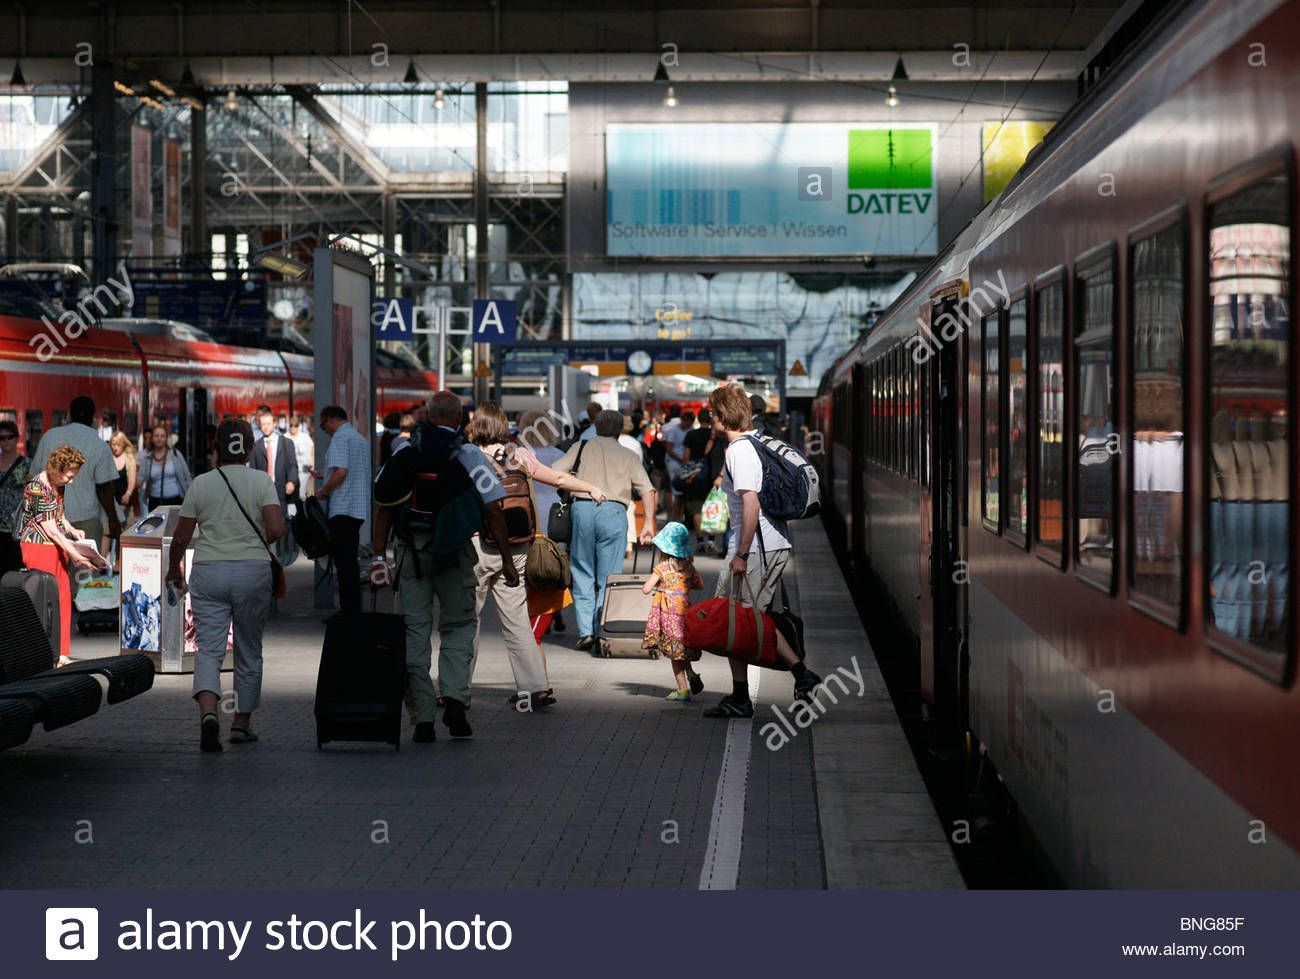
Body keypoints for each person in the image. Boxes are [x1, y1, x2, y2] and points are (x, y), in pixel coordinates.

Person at [370, 391, 518, 743]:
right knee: (459, 627)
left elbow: (385, 507)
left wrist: (378, 557)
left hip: (412, 555)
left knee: (414, 633)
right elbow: (495, 509)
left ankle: (422, 718)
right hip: (454, 553)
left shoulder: (405, 451)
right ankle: (454, 701)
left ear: (426, 413)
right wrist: (509, 562)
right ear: (459, 419)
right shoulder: (469, 455)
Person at [464, 403, 608, 709]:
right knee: (517, 623)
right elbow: (557, 479)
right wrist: (591, 488)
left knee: (466, 621)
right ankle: (535, 688)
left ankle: (456, 689)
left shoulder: (467, 456)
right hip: (517, 548)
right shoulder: (520, 455)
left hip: (476, 546)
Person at [702, 384, 821, 718]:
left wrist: (740, 553)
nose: (711, 420)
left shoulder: (738, 450)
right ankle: (799, 676)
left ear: (722, 417)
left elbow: (751, 502)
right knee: (749, 620)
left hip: (756, 549)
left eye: (713, 414)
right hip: (769, 545)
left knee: (735, 624)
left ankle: (752, 693)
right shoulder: (759, 441)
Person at [165, 419, 284, 752]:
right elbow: (275, 529)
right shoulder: (261, 481)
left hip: (209, 571)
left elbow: (182, 536)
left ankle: (208, 714)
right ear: (249, 448)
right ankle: (241, 724)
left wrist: (174, 568)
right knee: (249, 649)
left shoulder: (201, 484)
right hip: (251, 572)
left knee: (209, 649)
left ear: (216, 447)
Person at [551, 410, 657, 650]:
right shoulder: (628, 455)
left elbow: (557, 471)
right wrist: (648, 523)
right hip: (614, 512)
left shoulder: (581, 447)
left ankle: (585, 631)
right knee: (609, 576)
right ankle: (602, 629)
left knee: (582, 570)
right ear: (620, 429)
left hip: (583, 510)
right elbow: (648, 490)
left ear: (595, 427)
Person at [17, 445, 100, 667]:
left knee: (63, 596)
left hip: (55, 545)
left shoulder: (57, 484)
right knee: (45, 598)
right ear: (57, 469)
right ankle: (44, 653)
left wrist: (73, 531)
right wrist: (75, 553)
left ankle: (61, 652)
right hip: (38, 545)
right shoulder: (37, 487)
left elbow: (59, 517)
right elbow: (51, 529)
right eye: (69, 475)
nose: (71, 481)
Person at [31, 396, 121, 552]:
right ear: (93, 417)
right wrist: (113, 520)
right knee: (84, 573)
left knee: (55, 572)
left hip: (51, 518)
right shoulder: (100, 445)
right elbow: (104, 488)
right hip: (86, 521)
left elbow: (34, 476)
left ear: (69, 415)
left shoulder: (49, 436)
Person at [314, 405, 370, 615]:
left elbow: (341, 471)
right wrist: (325, 475)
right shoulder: (359, 439)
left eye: (322, 425)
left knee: (344, 565)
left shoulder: (340, 438)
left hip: (342, 508)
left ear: (330, 420)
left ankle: (348, 612)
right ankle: (352, 609)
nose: (324, 430)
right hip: (357, 508)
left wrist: (324, 490)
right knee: (350, 564)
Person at [641, 522, 705, 701]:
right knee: (681, 649)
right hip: (685, 615)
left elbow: (646, 589)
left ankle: (682, 689)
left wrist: (660, 588)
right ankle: (691, 674)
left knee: (674, 654)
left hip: (668, 617)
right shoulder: (689, 569)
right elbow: (700, 586)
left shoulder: (662, 569)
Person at [682, 408, 719, 551]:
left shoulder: (691, 435)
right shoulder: (715, 434)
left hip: (695, 476)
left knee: (697, 509)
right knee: (712, 507)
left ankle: (699, 541)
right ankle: (710, 540)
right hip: (712, 474)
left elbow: (686, 457)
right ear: (710, 419)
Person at [248, 410, 298, 512]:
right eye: (263, 424)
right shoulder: (256, 446)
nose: (266, 427)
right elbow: (253, 469)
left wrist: (292, 481)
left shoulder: (286, 443)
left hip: (282, 489)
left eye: (268, 424)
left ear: (274, 424)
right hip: (263, 491)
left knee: (283, 520)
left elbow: (293, 465)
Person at [137, 424, 193, 512]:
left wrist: (190, 497)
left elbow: (187, 477)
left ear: (166, 438)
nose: (159, 438)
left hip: (176, 500)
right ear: (152, 439)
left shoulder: (176, 454)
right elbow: (140, 479)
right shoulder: (147, 459)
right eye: (156, 436)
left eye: (162, 436)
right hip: (155, 502)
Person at [0, 419, 32, 575]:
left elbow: (33, 493)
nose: (5, 441)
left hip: (17, 528)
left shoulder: (26, 464)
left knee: (16, 570)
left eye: (9, 437)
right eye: (1, 438)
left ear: (16, 438)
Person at [661, 404, 687, 523]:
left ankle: (670, 515)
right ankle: (679, 516)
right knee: (680, 489)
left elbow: (665, 445)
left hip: (669, 461)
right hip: (682, 460)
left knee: (669, 488)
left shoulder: (666, 427)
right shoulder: (686, 426)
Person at [109, 431, 138, 525]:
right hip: (109, 504)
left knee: (126, 533)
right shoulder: (107, 458)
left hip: (124, 503)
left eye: (118, 445)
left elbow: (132, 480)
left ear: (123, 445)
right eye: (113, 445)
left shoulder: (129, 459)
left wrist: (128, 494)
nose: (115, 448)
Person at [288, 416, 314, 497]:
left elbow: (312, 450)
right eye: (291, 425)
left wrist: (312, 467)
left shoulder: (305, 436)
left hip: (303, 470)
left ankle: (301, 509)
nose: (293, 427)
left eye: (295, 425)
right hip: (290, 470)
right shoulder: (285, 437)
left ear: (298, 426)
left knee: (301, 495)